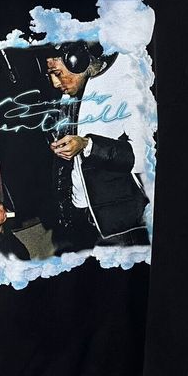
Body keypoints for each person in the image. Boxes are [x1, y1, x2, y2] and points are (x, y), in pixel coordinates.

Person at [44, 42, 150, 252]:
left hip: (121, 225)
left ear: (77, 62)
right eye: (50, 75)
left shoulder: (123, 81)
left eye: (57, 73)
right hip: (85, 220)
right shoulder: (69, 97)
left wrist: (88, 144)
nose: (55, 83)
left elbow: (142, 156)